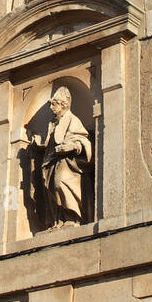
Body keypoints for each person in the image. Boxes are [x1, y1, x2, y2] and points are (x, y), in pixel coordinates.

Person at [31, 86, 92, 225]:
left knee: (60, 183)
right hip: (52, 161)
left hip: (68, 162)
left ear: (63, 104)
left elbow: (83, 140)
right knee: (51, 189)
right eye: (51, 104)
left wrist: (72, 146)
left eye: (54, 104)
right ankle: (58, 221)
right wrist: (40, 143)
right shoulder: (52, 123)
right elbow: (50, 142)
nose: (51, 107)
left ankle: (73, 217)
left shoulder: (73, 120)